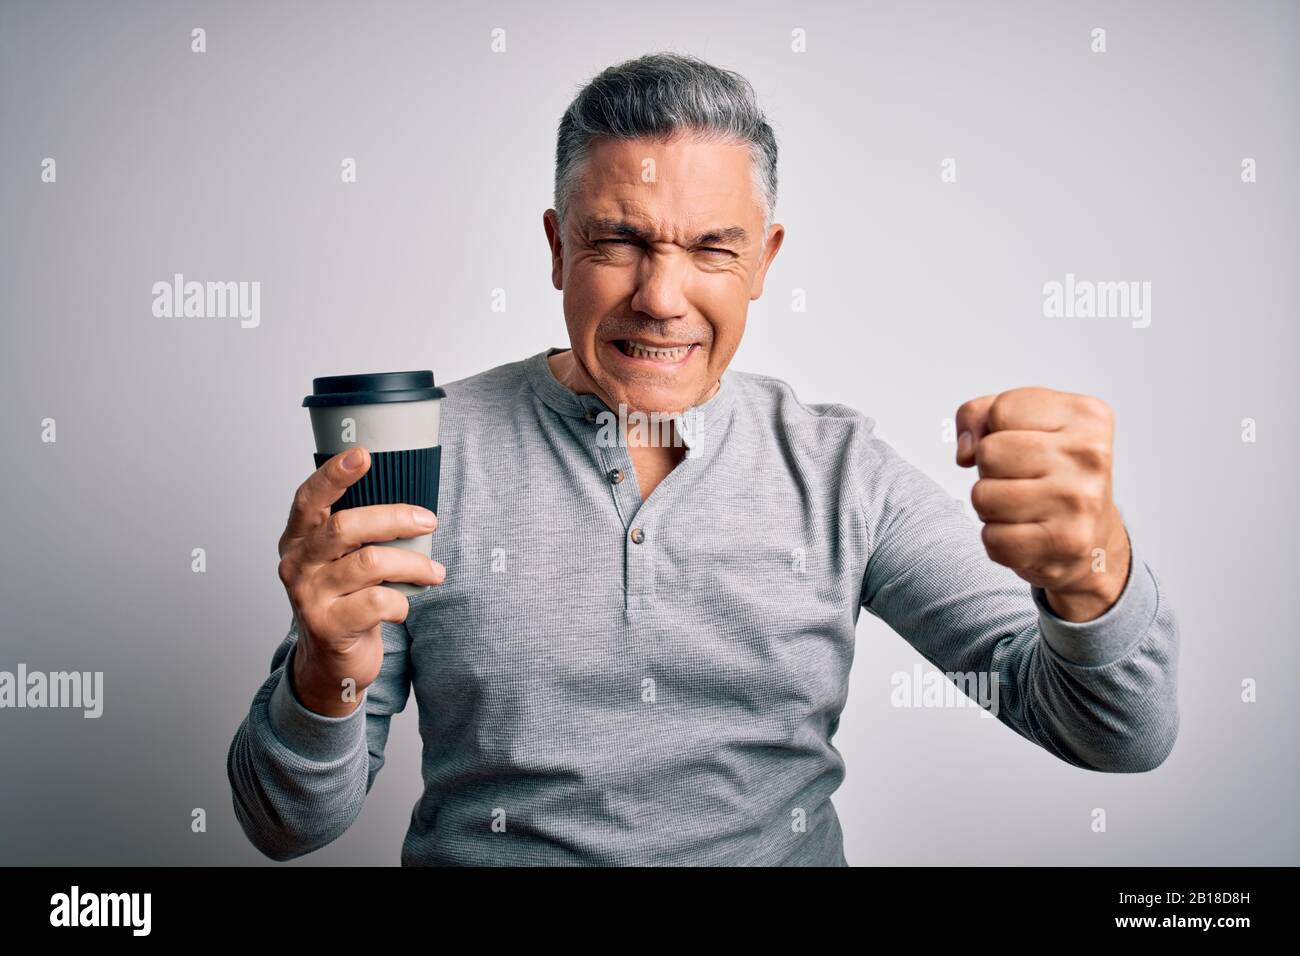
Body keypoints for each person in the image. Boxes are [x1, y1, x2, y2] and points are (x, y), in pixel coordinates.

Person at [227, 52, 1179, 866]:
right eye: (618, 241)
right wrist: (325, 669)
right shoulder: (422, 452)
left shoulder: (841, 470)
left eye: (712, 249)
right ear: (558, 249)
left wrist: (1093, 575)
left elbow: (1113, 733)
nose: (662, 297)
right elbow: (286, 824)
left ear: (763, 261)